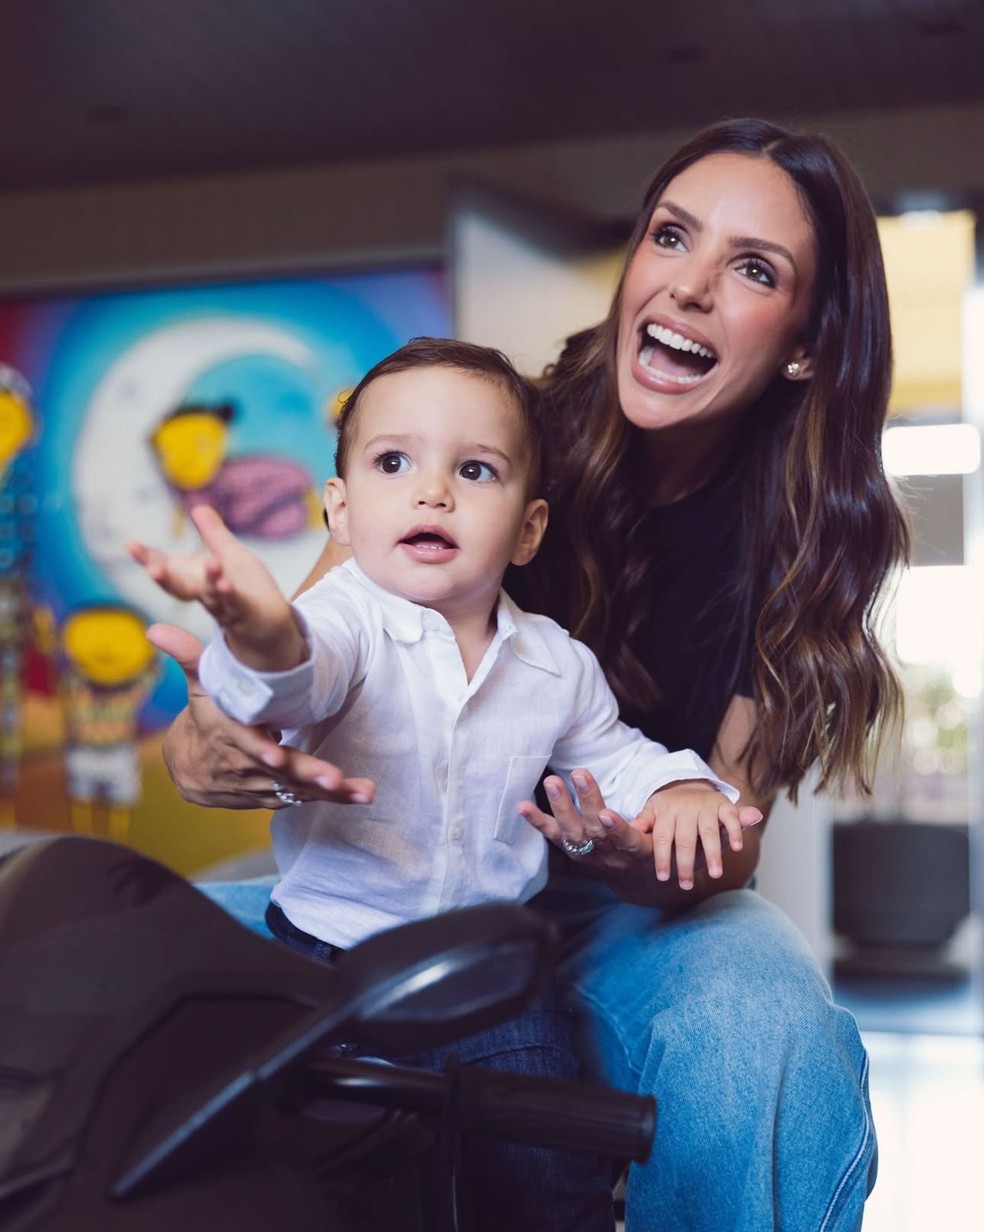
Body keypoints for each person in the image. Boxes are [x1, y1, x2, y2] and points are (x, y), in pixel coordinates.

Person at [152, 119, 909, 1232]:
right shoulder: (486, 434)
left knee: (766, 1020)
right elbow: (304, 645)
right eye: (670, 237)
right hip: (374, 882)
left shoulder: (810, 540)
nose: (689, 287)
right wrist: (203, 738)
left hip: (612, 905)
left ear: (805, 340)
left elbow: (716, 832)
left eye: (753, 269)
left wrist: (647, 842)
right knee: (98, 963)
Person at [131, 337, 758, 1232]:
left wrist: (682, 793)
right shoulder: (344, 620)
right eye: (395, 462)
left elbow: (617, 755)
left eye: (474, 469)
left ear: (529, 527)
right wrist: (260, 630)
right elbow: (295, 677)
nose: (434, 492)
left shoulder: (554, 662)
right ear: (341, 510)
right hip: (327, 964)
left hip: (493, 969)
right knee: (325, 1173)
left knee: (550, 1168)